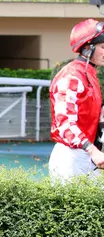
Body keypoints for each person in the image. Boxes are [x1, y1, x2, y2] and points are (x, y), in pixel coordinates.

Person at [48, 19, 104, 181]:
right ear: (87, 49)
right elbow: (65, 123)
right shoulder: (72, 76)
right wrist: (93, 150)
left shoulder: (89, 74)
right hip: (71, 156)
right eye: (103, 47)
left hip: (85, 155)